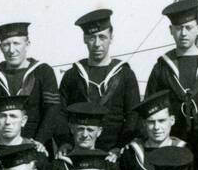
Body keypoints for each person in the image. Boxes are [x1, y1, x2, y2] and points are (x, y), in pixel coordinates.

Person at [143, 0, 198, 146]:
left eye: (188, 28)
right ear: (171, 30)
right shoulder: (163, 66)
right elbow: (149, 105)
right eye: (178, 28)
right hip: (175, 141)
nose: (183, 33)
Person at [55, 9, 140, 147]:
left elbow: (133, 115)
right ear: (84, 39)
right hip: (81, 149)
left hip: (114, 151)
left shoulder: (125, 74)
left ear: (111, 37)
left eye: (102, 37)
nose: (97, 44)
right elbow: (61, 114)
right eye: (92, 37)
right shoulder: (72, 75)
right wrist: (64, 142)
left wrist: (120, 147)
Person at [0, 22, 58, 144]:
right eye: (6, 45)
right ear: (0, 47)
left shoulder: (43, 71)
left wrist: (40, 141)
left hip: (37, 142)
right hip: (2, 144)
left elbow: (52, 110)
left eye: (16, 43)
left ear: (27, 44)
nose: (11, 50)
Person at [119, 92, 190, 170]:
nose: (157, 127)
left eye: (162, 121)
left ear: (172, 120)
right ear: (144, 124)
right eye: (151, 122)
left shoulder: (185, 151)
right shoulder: (131, 153)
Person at [50, 102, 126, 170]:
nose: (85, 134)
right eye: (81, 129)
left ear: (99, 132)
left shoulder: (109, 166)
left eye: (90, 130)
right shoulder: (58, 167)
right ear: (72, 129)